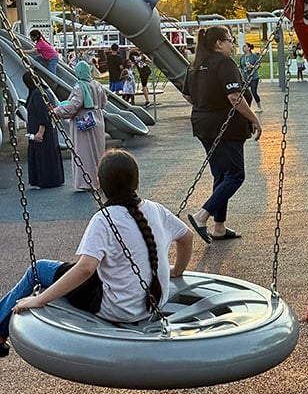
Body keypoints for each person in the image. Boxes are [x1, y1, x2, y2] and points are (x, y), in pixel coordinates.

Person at [0, 149, 193, 360]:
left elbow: (85, 269)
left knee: (39, 270)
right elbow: (187, 237)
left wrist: (39, 300)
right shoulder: (156, 209)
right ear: (137, 182)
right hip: (154, 302)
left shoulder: (104, 219)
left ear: (100, 184)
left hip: (117, 308)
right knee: (84, 267)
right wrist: (177, 270)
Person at [183, 26, 262, 243]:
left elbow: (187, 95)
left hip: (202, 124)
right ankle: (202, 215)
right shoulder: (224, 62)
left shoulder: (195, 65)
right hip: (225, 127)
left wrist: (206, 103)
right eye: (230, 41)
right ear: (219, 43)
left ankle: (219, 227)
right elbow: (235, 96)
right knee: (235, 175)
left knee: (221, 175)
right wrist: (254, 118)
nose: (232, 45)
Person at [54, 60, 107, 191]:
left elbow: (74, 105)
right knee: (98, 152)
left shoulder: (79, 86)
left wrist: (57, 111)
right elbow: (104, 102)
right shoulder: (97, 85)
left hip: (84, 122)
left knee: (84, 152)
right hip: (97, 120)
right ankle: (100, 180)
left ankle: (87, 182)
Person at [22, 71, 64, 189]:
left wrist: (40, 132)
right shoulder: (45, 92)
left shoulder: (37, 94)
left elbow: (42, 114)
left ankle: (45, 180)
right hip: (49, 131)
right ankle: (52, 179)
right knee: (49, 155)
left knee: (43, 157)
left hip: (41, 131)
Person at [239, 43, 262, 110]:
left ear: (249, 48)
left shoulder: (253, 56)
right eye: (243, 47)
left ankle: (259, 106)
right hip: (245, 78)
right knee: (244, 92)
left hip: (253, 77)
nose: (243, 48)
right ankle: (247, 107)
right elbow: (241, 67)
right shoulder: (242, 57)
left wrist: (252, 66)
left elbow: (259, 65)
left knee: (254, 92)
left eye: (245, 46)